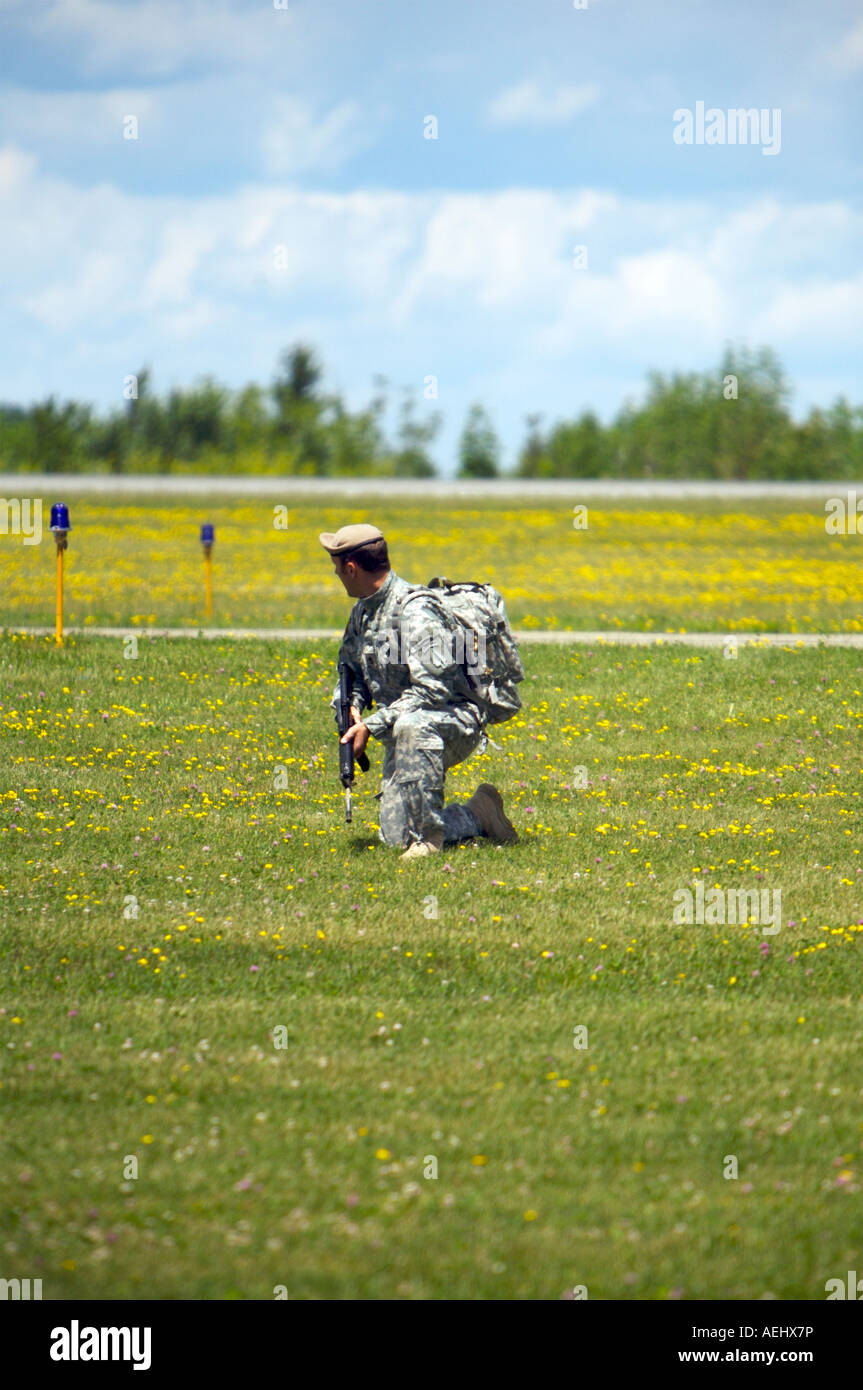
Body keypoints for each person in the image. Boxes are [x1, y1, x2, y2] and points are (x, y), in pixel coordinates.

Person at [320, 523, 518, 860]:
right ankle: (479, 813)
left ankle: (431, 838)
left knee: (412, 725)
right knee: (396, 837)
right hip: (403, 727)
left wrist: (371, 725)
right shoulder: (363, 612)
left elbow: (432, 690)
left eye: (337, 567)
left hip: (451, 719)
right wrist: (351, 706)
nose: (336, 573)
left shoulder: (415, 613)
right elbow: (350, 671)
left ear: (351, 568)